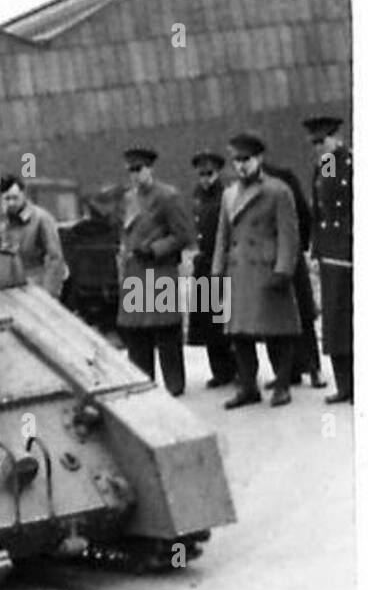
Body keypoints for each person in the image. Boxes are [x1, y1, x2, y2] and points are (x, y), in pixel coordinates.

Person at [211, 132, 301, 408]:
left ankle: (283, 385)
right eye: (236, 160)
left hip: (266, 269)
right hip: (238, 271)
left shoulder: (277, 190)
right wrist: (217, 272)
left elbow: (289, 234)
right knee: (239, 334)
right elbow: (222, 236)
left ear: (259, 158)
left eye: (246, 159)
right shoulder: (229, 194)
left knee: (278, 330)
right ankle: (249, 388)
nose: (240, 165)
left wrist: (284, 268)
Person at [116, 147, 193, 395]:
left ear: (150, 169)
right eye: (131, 171)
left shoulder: (168, 196)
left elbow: (183, 235)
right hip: (135, 272)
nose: (135, 175)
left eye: (139, 169)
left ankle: (174, 384)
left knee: (166, 331)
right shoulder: (129, 198)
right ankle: (143, 383)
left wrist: (155, 249)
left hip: (159, 271)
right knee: (137, 333)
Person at [263, 160, 325, 388]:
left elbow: (305, 215)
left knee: (302, 313)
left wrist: (300, 247)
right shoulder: (244, 186)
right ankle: (286, 372)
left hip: (290, 255)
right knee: (272, 317)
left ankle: (312, 369)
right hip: (266, 259)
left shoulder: (283, 179)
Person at [305, 115, 353, 404]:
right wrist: (315, 250)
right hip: (330, 254)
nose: (318, 147)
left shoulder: (350, 163)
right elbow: (319, 213)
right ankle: (345, 385)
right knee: (334, 321)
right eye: (314, 143)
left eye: (322, 141)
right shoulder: (325, 166)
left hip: (349, 252)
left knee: (353, 318)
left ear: (336, 137)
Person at [188, 150, 236, 387]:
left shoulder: (226, 195)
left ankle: (235, 369)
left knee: (225, 318)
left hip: (223, 262)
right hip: (205, 261)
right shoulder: (198, 196)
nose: (205, 178)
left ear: (218, 173)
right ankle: (220, 371)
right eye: (201, 174)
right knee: (209, 321)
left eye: (209, 173)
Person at [0, 175, 69, 297]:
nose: (11, 203)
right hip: (11, 289)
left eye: (15, 198)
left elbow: (55, 258)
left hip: (36, 287)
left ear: (23, 194)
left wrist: (48, 294)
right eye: (7, 199)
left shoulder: (41, 219)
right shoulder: (3, 222)